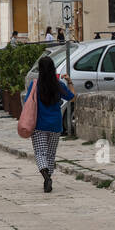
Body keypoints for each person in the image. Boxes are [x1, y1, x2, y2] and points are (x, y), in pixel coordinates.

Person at [22, 55, 75, 193]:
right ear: (53, 69)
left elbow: (27, 102)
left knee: (40, 153)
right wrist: (69, 82)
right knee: (51, 154)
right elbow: (72, 97)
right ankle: (49, 177)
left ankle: (46, 177)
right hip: (55, 125)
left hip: (39, 125)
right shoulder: (58, 85)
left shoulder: (35, 85)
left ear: (40, 70)